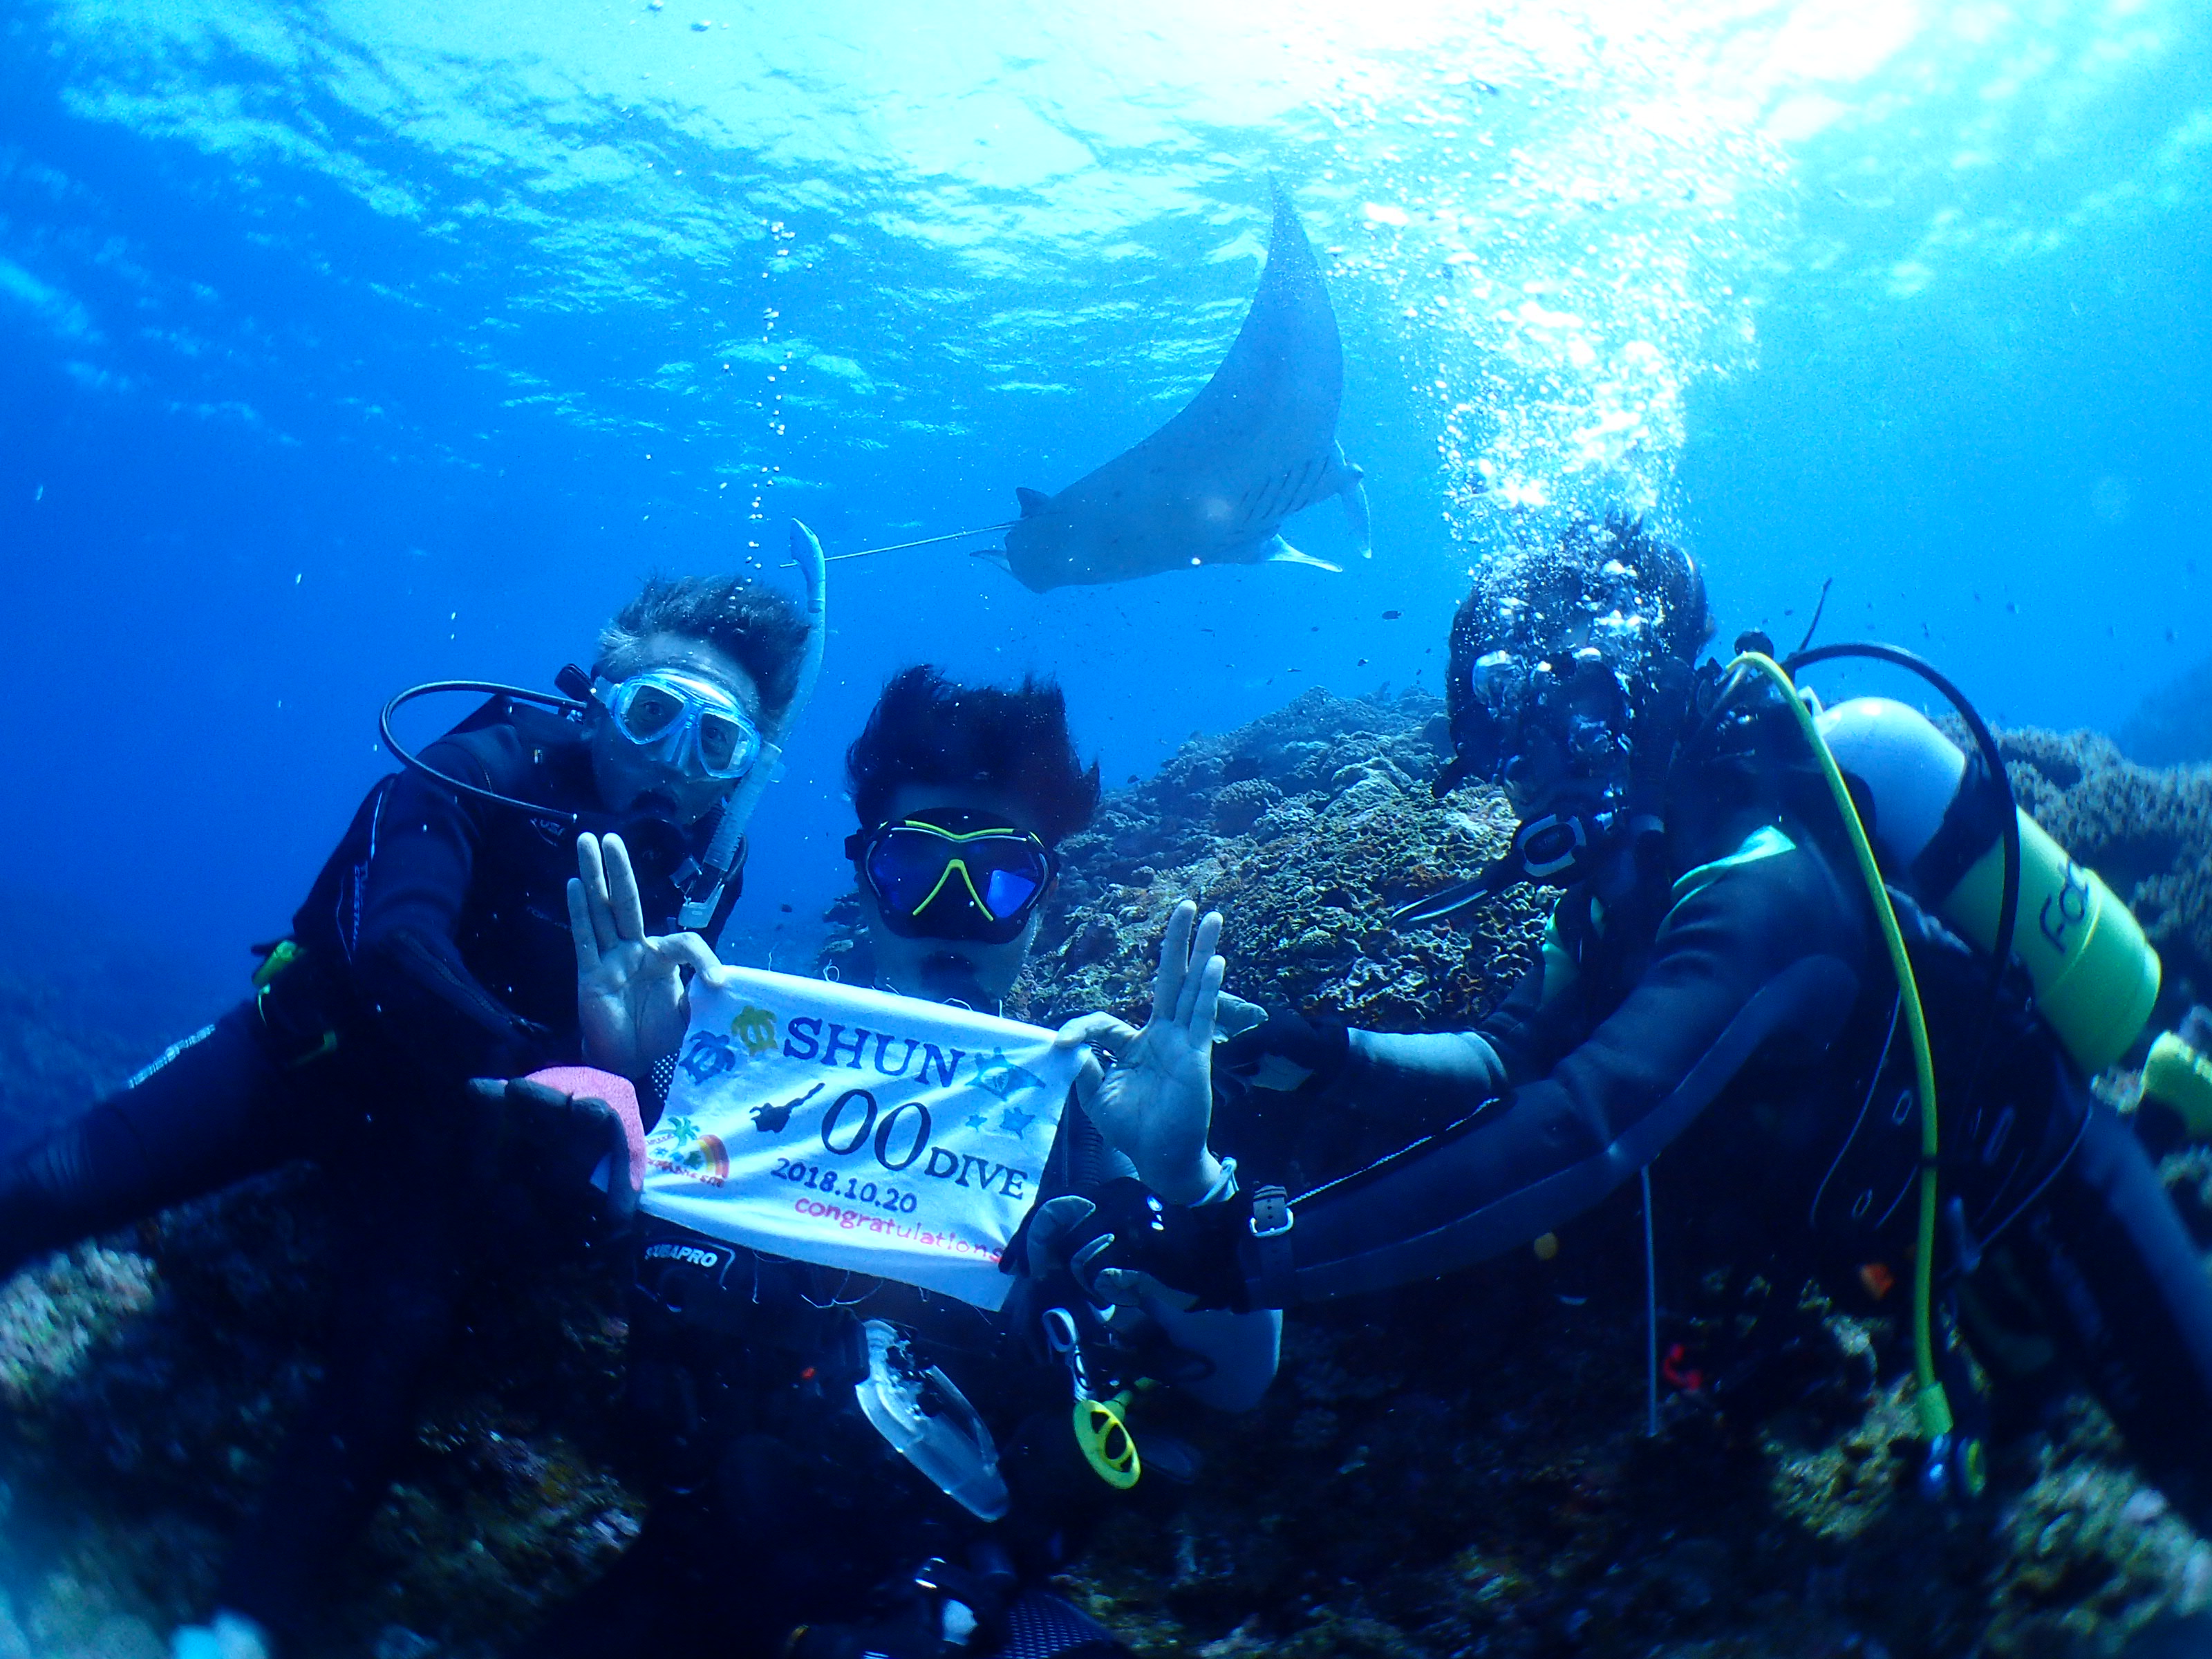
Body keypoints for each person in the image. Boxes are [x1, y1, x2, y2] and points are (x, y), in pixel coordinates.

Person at [1076, 513, 2212, 1526]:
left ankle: (2155, 1132)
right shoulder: (1621, 897)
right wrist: (1317, 1053)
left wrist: (1256, 1253)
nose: (1524, 778)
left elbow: (1584, 1124)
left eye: (1550, 723)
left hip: (2038, 1174)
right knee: (2015, 1403)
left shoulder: (1759, 878)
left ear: (1634, 682)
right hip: (1892, 1241)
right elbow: (1506, 1059)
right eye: (1500, 750)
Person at [0, 572, 812, 1658]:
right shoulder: (464, 774)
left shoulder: (706, 868)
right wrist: (541, 1067)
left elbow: (655, 1053)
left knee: (395, 1350)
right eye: (654, 714)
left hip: (449, 1130)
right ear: (597, 696)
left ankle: (237, 1631)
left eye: (717, 746)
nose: (673, 764)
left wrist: (628, 1078)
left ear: (743, 773)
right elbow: (396, 947)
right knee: (49, 1188)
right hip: (309, 1058)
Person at [510, 666, 1277, 1659]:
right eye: (916, 870)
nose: (954, 912)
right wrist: (632, 1074)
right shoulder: (733, 1073)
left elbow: (1235, 1383)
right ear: (864, 880)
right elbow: (550, 1271)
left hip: (977, 1609)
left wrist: (1185, 1180)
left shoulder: (1093, 1121)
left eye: (997, 878)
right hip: (695, 1587)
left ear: (1041, 903)